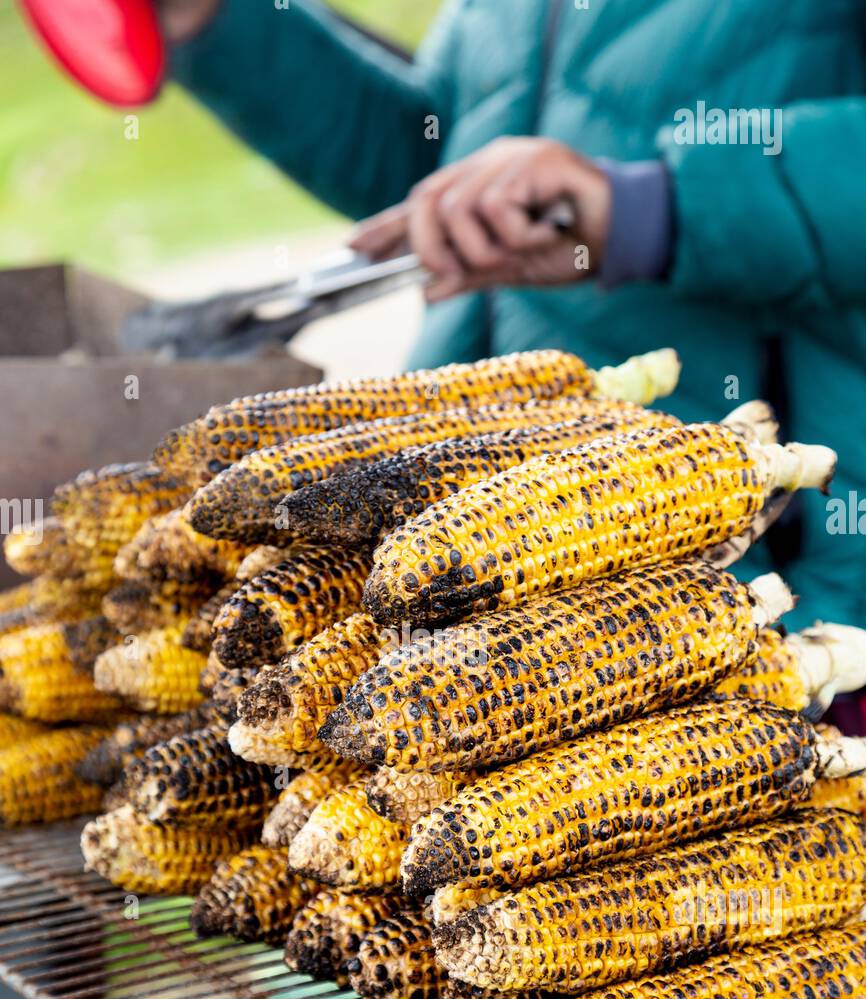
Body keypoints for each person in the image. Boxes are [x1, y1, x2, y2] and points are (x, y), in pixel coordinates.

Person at [163, 0, 866, 629]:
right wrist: (226, 26)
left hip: (754, 565)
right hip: (487, 553)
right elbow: (446, 163)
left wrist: (651, 208)